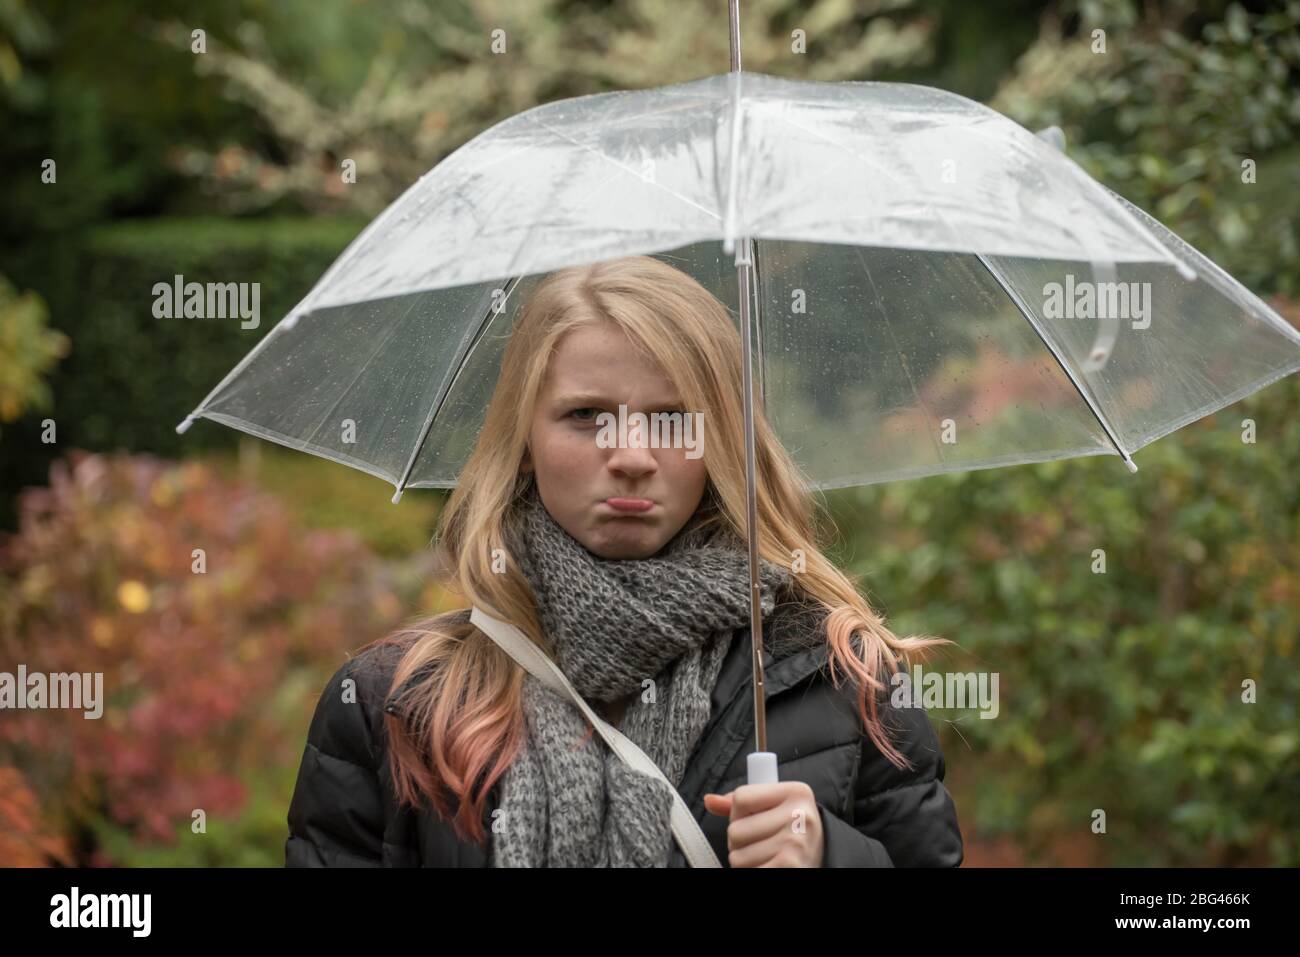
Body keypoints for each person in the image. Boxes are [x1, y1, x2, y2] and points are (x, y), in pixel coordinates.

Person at [284, 254, 964, 867]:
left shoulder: (843, 677)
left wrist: (829, 857)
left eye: (672, 419)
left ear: (721, 438)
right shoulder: (394, 703)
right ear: (524, 439)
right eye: (585, 415)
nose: (633, 455)